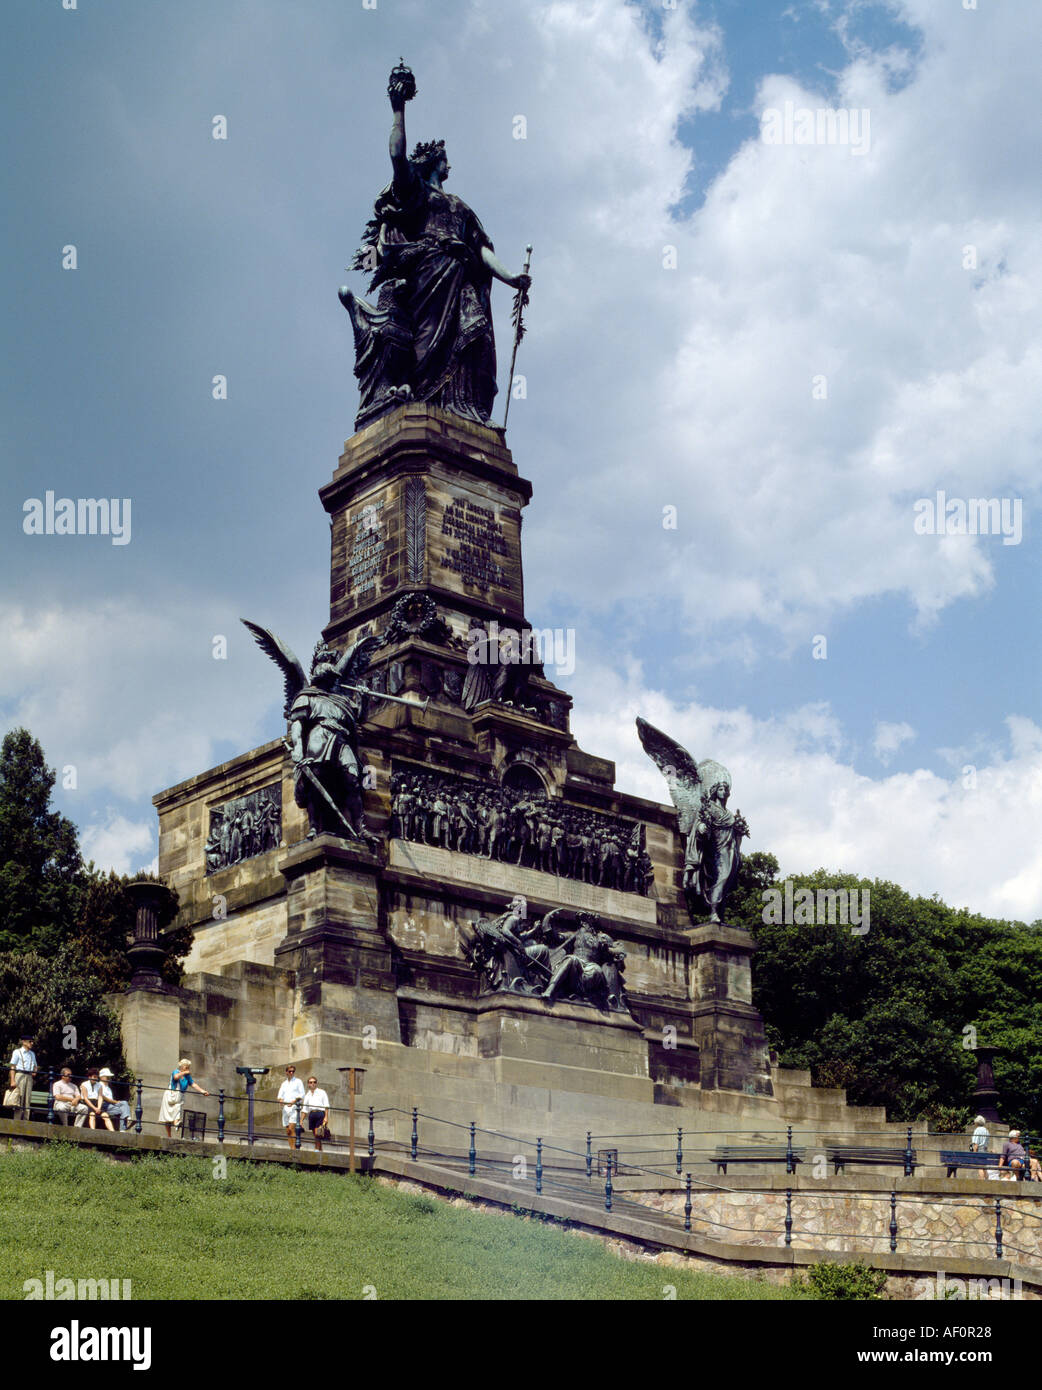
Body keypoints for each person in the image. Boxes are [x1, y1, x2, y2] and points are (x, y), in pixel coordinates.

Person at [158, 1059, 209, 1138]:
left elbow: (193, 1084)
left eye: (188, 1067)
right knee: (167, 1117)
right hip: (171, 1095)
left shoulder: (187, 1076)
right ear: (182, 1066)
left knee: (178, 1107)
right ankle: (169, 1135)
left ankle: (176, 1122)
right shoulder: (176, 1071)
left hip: (179, 1095)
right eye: (186, 1066)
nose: (188, 1068)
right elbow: (175, 1077)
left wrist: (203, 1091)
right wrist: (184, 1072)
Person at [7, 1033, 37, 1121]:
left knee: (27, 1100)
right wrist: (12, 1080)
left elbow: (35, 1065)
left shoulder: (32, 1054)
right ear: (24, 1042)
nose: (32, 1043)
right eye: (30, 1041)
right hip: (19, 1075)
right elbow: (12, 1066)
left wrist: (34, 1071)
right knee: (18, 1099)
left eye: (32, 1042)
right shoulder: (17, 1052)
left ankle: (26, 1121)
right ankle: (17, 1122)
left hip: (29, 1076)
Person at [277, 1064, 306, 1150]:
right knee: (288, 1131)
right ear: (286, 1072)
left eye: (293, 1071)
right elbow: (279, 1096)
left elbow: (302, 1094)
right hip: (285, 1109)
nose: (291, 1073)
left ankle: (294, 1149)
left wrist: (294, 1102)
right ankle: (291, 1148)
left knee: (292, 1128)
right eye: (290, 1071)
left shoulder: (298, 1081)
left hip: (295, 1109)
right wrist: (281, 1101)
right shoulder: (284, 1084)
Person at [302, 1076, 331, 1152]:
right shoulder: (307, 1095)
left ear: (316, 1083)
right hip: (311, 1114)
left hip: (320, 1113)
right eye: (311, 1082)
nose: (313, 1084)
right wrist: (301, 1120)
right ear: (308, 1084)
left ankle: (316, 1149)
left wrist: (326, 1117)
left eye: (314, 1082)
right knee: (315, 1134)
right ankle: (320, 1150)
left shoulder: (322, 1092)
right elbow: (305, 1109)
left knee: (317, 1132)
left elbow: (326, 1105)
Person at [970, 1115, 990, 1179]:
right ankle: (987, 1180)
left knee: (980, 1168)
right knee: (984, 1167)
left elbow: (976, 1144)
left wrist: (974, 1153)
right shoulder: (986, 1130)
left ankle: (981, 1182)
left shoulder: (977, 1130)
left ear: (977, 1123)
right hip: (985, 1150)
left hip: (979, 1149)